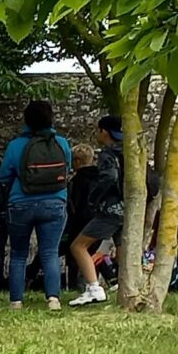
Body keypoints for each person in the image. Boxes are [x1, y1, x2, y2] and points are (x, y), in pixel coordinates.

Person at [0, 98, 74, 308]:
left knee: (19, 253)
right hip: (55, 201)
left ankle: (16, 300)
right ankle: (53, 299)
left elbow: (4, 177)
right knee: (50, 251)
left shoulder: (15, 145)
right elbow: (67, 169)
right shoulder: (61, 143)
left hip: (20, 203)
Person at [64, 113, 125, 307]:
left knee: (78, 246)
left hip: (110, 209)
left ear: (104, 132)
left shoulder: (108, 154)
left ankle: (93, 288)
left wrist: (95, 198)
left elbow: (109, 177)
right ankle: (130, 287)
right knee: (123, 250)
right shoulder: (129, 151)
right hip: (128, 208)